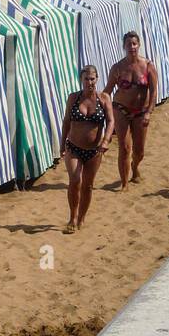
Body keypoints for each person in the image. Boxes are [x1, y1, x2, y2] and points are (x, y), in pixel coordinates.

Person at [59, 65, 114, 233]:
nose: (89, 82)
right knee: (75, 180)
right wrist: (62, 145)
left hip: (94, 150)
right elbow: (67, 121)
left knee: (88, 186)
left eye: (92, 79)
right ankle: (72, 217)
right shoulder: (73, 98)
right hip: (73, 147)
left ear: (97, 79)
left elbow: (111, 121)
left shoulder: (104, 98)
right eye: (86, 79)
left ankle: (82, 218)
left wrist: (106, 140)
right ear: (81, 80)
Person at [104, 30, 158, 189]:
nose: (132, 47)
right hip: (121, 110)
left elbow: (154, 91)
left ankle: (135, 167)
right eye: (128, 44)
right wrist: (100, 107)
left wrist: (149, 111)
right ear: (124, 46)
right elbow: (108, 90)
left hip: (141, 112)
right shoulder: (117, 68)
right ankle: (124, 183)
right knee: (124, 147)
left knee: (139, 150)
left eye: (134, 44)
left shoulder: (148, 66)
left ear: (139, 45)